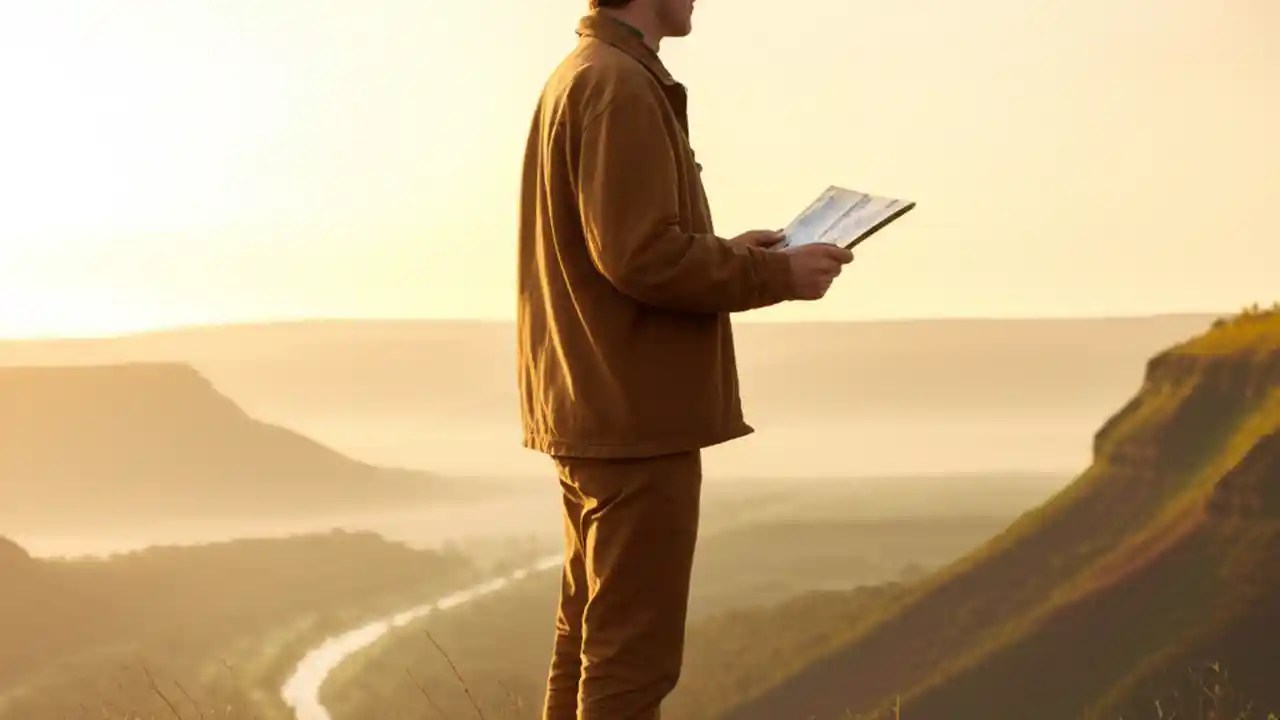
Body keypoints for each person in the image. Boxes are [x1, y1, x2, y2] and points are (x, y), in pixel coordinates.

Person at [516, 1, 854, 717]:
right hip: (635, 415)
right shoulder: (620, 86)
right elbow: (639, 256)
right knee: (632, 658)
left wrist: (738, 255)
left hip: (594, 405)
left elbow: (629, 242)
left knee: (588, 638)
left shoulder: (584, 74)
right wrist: (777, 277)